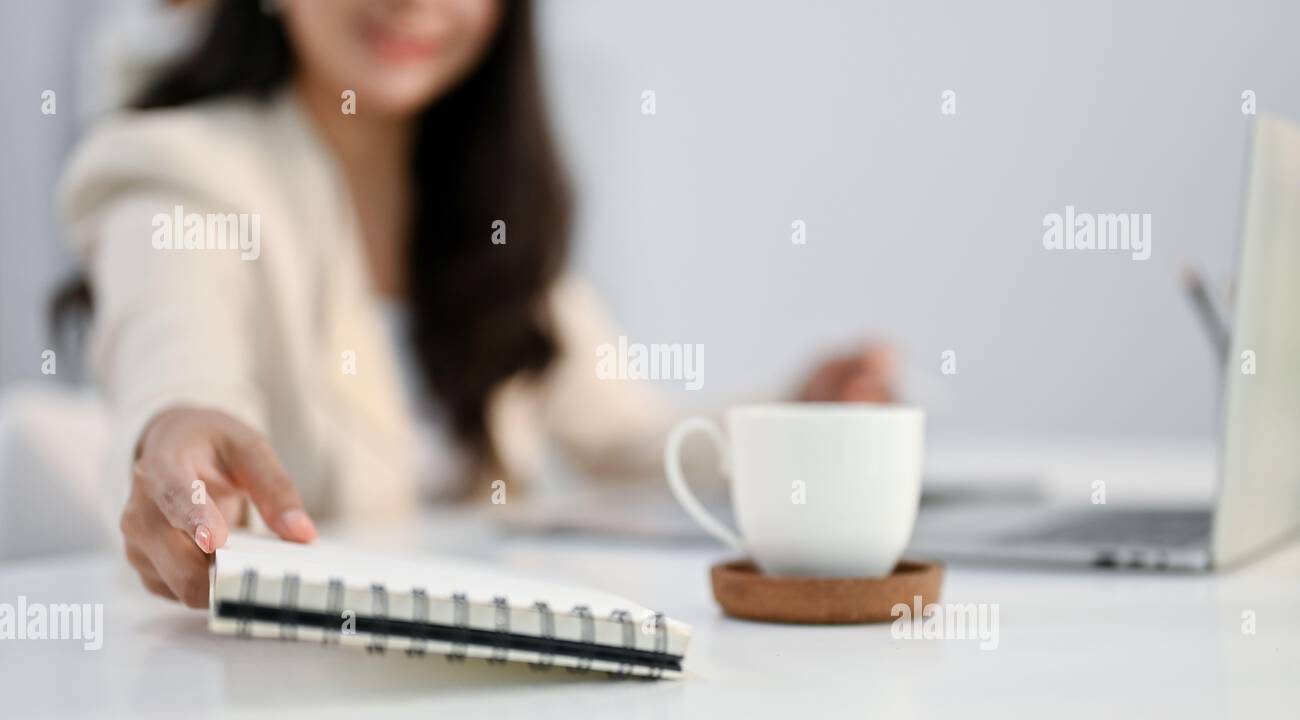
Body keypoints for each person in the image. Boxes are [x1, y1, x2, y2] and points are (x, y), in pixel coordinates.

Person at [58, 0, 895, 608]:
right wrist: (173, 427)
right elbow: (174, 359)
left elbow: (627, 442)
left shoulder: (487, 203)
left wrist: (797, 412)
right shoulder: (179, 170)